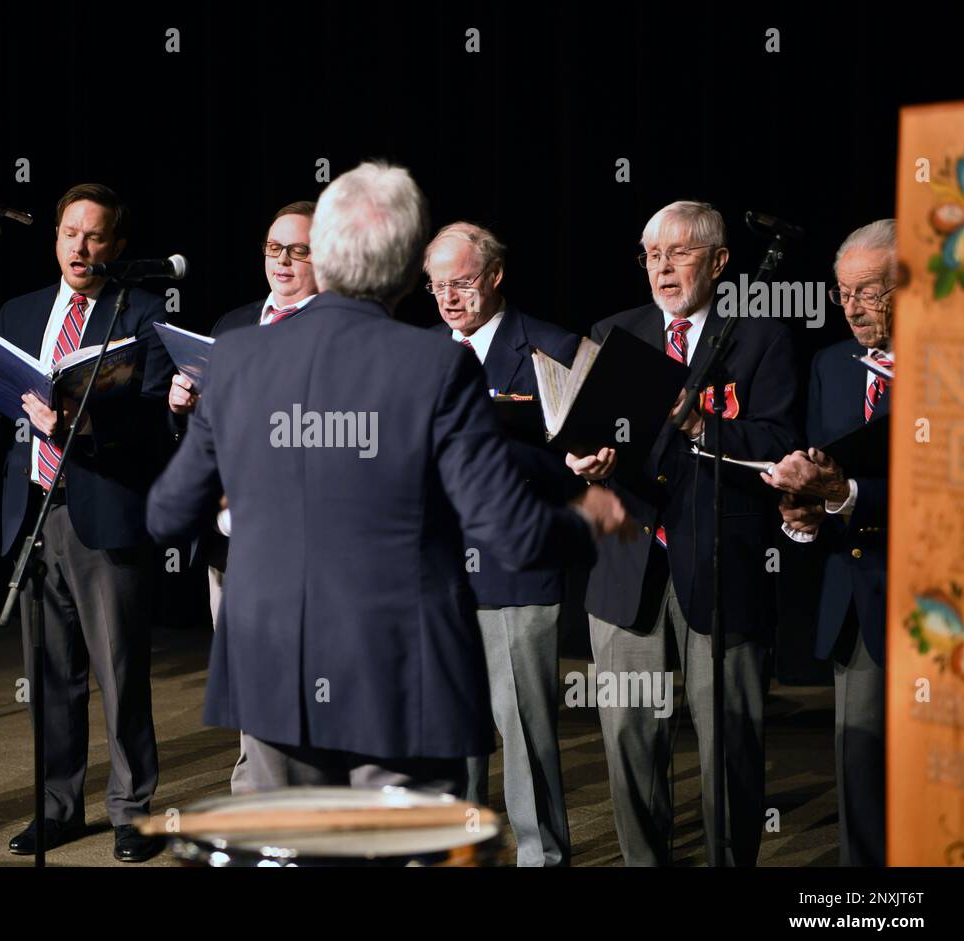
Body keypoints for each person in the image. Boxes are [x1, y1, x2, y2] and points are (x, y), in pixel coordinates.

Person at [146, 161, 631, 794]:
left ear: (326, 255)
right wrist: (585, 520)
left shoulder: (237, 358)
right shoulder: (434, 365)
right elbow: (506, 529)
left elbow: (165, 517)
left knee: (291, 852)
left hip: (269, 665)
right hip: (398, 669)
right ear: (408, 270)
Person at [567, 200, 800, 866]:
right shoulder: (613, 331)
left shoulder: (760, 337)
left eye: (681, 252)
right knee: (630, 741)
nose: (662, 267)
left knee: (731, 744)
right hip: (625, 567)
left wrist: (701, 428)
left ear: (721, 262)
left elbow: (782, 443)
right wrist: (581, 458)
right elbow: (592, 436)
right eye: (651, 253)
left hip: (723, 565)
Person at [0, 183, 175, 862]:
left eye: (95, 236)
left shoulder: (143, 313)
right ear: (55, 238)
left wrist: (82, 422)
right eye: (70, 233)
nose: (80, 247)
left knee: (120, 673)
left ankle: (131, 811)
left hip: (105, 508)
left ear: (116, 247)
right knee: (49, 673)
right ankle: (59, 807)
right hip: (34, 508)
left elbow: (157, 420)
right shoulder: (20, 309)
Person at [424, 221, 584, 866]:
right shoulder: (422, 351)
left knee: (524, 731)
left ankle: (542, 856)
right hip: (436, 574)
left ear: (494, 276)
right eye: (436, 286)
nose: (448, 299)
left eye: (461, 283)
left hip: (515, 566)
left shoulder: (549, 346)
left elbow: (576, 462)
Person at [168, 200, 319, 794]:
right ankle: (258, 797)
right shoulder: (232, 324)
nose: (283, 261)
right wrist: (184, 408)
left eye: (299, 250)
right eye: (274, 248)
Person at [762, 219, 896, 866]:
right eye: (843, 293)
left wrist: (848, 495)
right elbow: (825, 472)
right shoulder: (831, 365)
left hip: (944, 607)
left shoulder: (960, 358)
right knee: (862, 783)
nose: (851, 308)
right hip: (857, 603)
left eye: (869, 291)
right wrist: (804, 513)